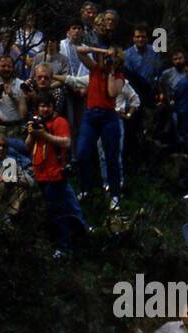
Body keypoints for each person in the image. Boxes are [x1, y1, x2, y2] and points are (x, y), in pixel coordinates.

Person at [26, 93, 86, 258]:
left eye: (48, 106)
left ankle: (65, 246)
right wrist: (33, 133)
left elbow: (66, 142)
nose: (45, 109)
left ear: (53, 107)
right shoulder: (37, 123)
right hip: (41, 174)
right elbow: (28, 147)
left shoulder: (59, 122)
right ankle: (66, 241)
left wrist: (44, 135)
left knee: (58, 211)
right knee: (56, 210)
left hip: (55, 174)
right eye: (42, 106)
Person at [72, 42, 125, 209]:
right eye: (108, 58)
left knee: (111, 157)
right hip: (90, 116)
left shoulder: (119, 77)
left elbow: (111, 93)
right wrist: (103, 51)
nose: (109, 60)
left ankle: (115, 194)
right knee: (81, 153)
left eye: (113, 59)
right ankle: (86, 189)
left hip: (109, 117)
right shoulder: (94, 68)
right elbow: (79, 51)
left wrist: (111, 71)